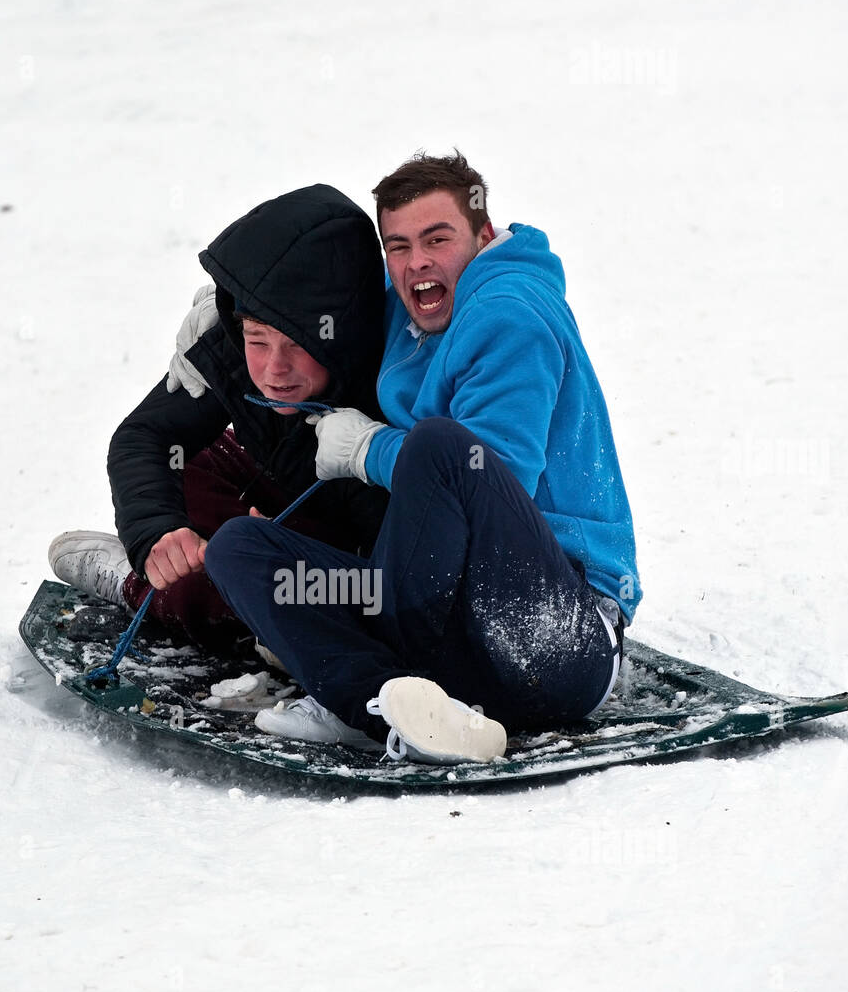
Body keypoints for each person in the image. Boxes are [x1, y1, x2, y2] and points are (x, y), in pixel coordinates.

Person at [199, 151, 643, 762]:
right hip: (452, 634)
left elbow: (493, 473)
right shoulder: (410, 303)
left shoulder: (508, 312)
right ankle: (389, 706)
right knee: (239, 549)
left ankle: (370, 673)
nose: (417, 263)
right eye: (398, 246)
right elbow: (318, 282)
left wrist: (367, 450)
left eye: (438, 239)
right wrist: (229, 313)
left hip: (554, 639)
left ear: (483, 236)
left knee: (443, 445)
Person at [48, 184, 389, 653]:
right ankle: (163, 570)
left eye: (296, 344)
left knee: (223, 588)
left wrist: (276, 554)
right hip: (273, 499)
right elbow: (144, 437)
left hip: (353, 559)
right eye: (258, 339)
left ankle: (145, 590)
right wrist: (158, 534)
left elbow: (410, 563)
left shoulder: (395, 381)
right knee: (186, 467)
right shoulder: (231, 341)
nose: (273, 369)